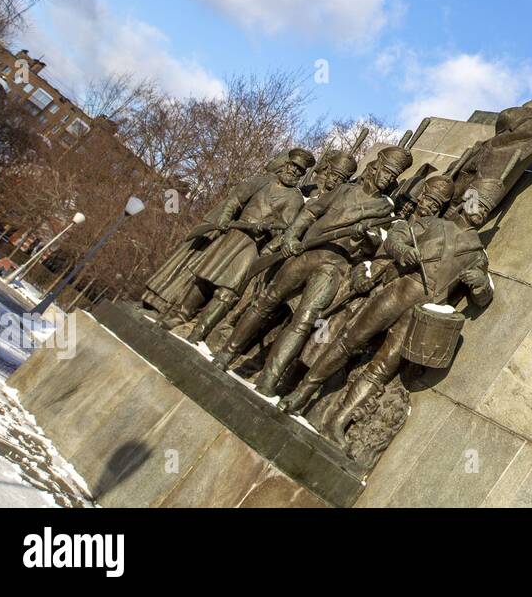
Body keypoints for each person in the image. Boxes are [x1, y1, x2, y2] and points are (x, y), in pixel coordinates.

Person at [278, 186, 495, 447]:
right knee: (349, 341)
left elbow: (482, 298)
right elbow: (395, 236)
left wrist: (479, 282)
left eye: (486, 210)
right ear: (465, 203)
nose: (481, 212)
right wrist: (403, 251)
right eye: (478, 205)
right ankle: (302, 393)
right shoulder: (433, 224)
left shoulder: (478, 254)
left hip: (425, 312)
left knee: (382, 368)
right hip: (401, 290)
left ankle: (338, 422)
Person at [211, 146, 412, 396]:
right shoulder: (344, 190)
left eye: (393, 175)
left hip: (333, 268)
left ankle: (268, 380)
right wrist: (292, 236)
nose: (388, 178)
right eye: (387, 171)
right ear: (376, 167)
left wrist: (367, 237)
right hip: (307, 253)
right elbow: (311, 211)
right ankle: (226, 355)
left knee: (304, 322)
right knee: (266, 302)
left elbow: (373, 248)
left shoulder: (385, 211)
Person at [157, 149, 314, 342]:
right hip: (234, 234)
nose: (293, 172)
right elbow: (236, 200)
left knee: (229, 290)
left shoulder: (294, 198)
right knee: (205, 277)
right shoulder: (262, 182)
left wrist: (266, 229)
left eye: (299, 171)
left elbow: (284, 229)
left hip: (252, 245)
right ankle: (180, 315)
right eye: (292, 167)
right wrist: (225, 217)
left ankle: (200, 331)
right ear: (286, 165)